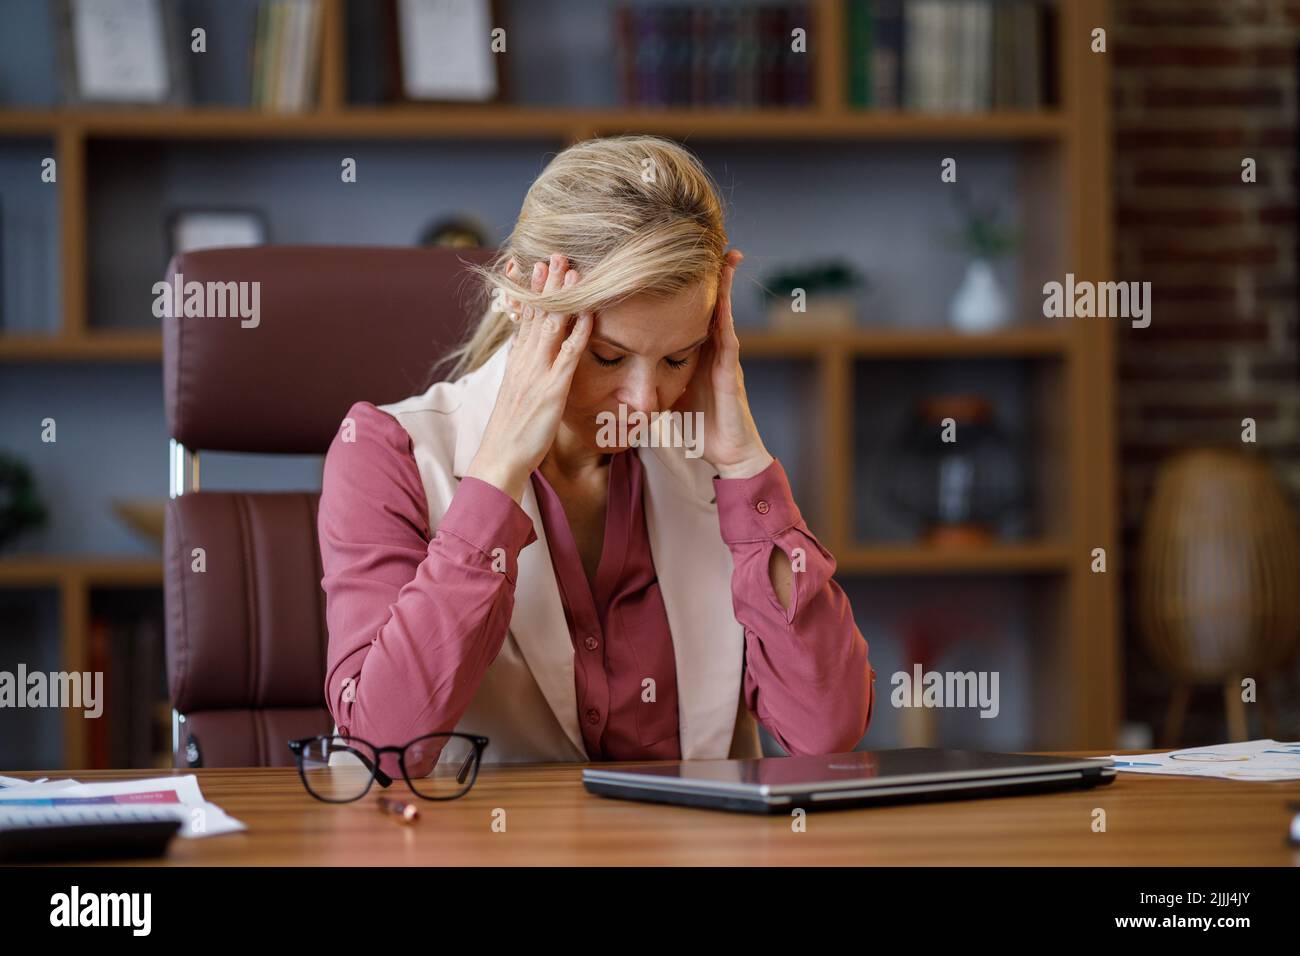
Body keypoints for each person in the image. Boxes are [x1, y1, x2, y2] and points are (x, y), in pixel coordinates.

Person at [318, 135, 875, 773]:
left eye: (678, 356)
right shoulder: (386, 455)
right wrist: (496, 477)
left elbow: (826, 734)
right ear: (524, 301)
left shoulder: (714, 467)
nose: (644, 401)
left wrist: (747, 464)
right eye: (608, 356)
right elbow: (382, 752)